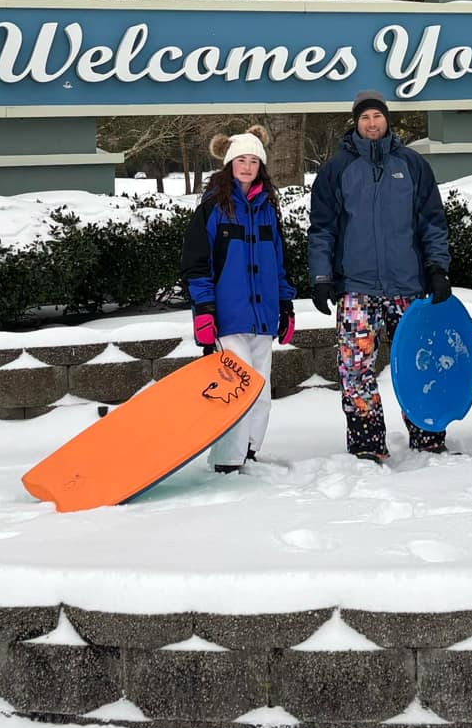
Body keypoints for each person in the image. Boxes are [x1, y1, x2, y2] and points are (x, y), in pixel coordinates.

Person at [308, 89, 452, 461]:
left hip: (407, 287)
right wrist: (322, 277)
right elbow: (322, 228)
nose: (372, 124)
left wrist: (437, 268)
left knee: (418, 361)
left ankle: (428, 433)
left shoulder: (413, 165)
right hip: (357, 288)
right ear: (356, 123)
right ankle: (368, 441)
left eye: (377, 117)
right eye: (364, 118)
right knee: (355, 367)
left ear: (387, 120)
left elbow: (432, 223)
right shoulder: (337, 169)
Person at [180, 125, 297, 473]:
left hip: (262, 319)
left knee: (260, 391)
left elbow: (279, 263)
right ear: (229, 164)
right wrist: (203, 311)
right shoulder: (213, 208)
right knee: (234, 390)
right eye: (240, 160)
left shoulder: (267, 210)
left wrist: (285, 306)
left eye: (253, 160)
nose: (247, 166)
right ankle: (227, 460)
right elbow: (196, 265)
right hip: (228, 320)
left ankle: (248, 452)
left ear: (261, 166)